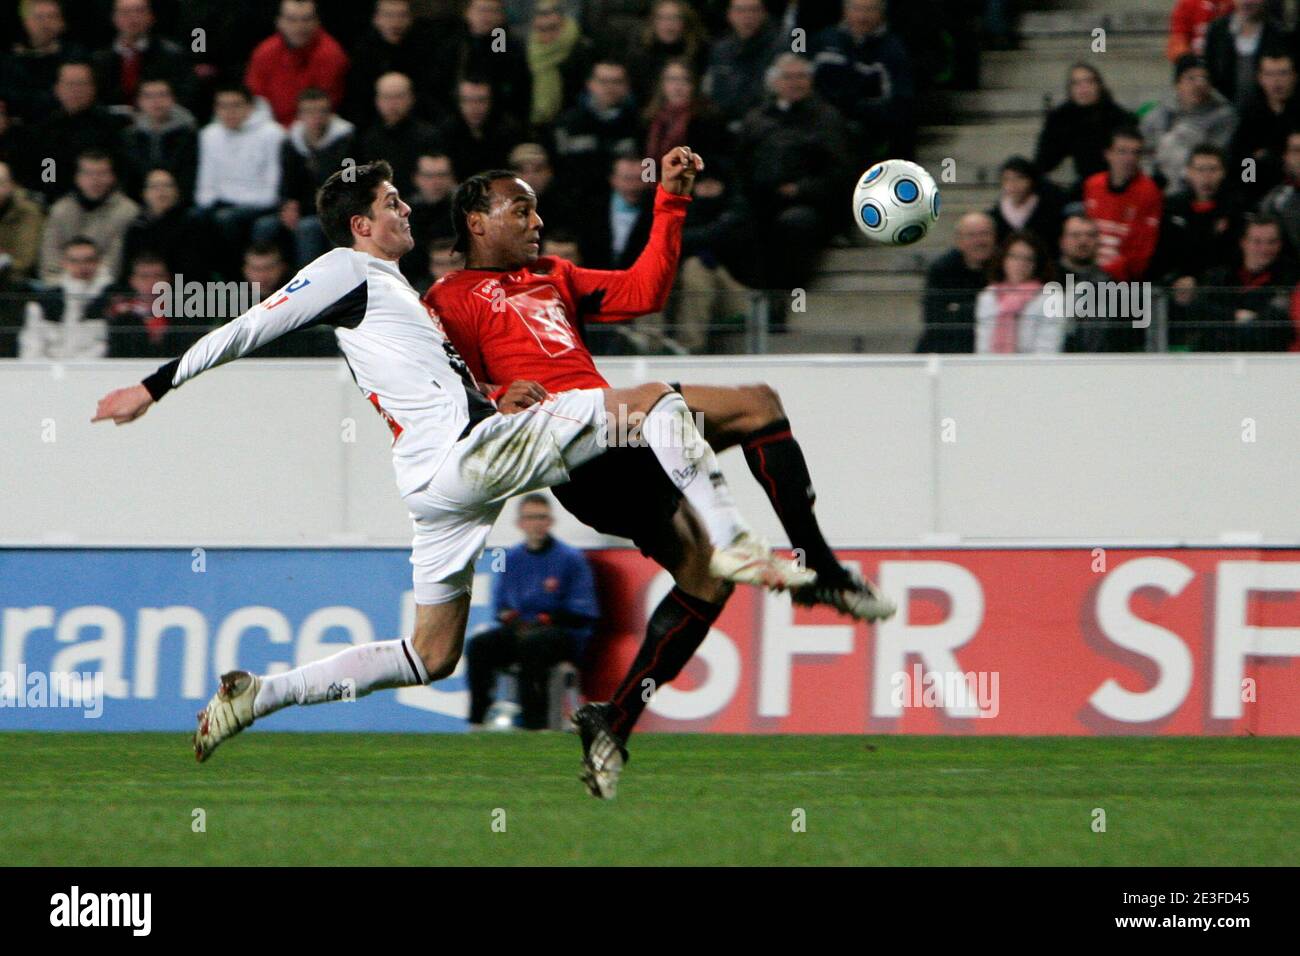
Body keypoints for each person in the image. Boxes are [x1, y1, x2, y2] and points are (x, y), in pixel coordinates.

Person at [90, 159, 811, 787]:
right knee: (650, 398)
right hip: (468, 460)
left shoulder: (400, 293)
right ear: (361, 225)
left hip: (442, 484)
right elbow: (251, 326)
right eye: (391, 202)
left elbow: (430, 382)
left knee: (429, 654)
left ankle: (259, 694)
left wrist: (497, 394)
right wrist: (153, 387)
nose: (405, 208)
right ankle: (734, 540)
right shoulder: (345, 270)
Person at [424, 150, 894, 796]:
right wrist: (494, 395)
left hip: (630, 437)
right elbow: (438, 389)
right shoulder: (448, 299)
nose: (537, 220)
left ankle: (611, 722)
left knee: (708, 571)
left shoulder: (553, 275)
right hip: (573, 451)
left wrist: (671, 202)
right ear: (477, 221)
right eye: (520, 208)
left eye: (536, 207)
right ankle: (816, 569)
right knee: (728, 404)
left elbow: (645, 292)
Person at [733, 53, 850, 331]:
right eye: (788, 77)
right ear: (773, 82)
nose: (794, 83)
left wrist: (800, 189)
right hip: (760, 200)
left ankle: (779, 303)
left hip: (809, 203)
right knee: (738, 225)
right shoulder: (756, 118)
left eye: (801, 77)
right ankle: (743, 307)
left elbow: (840, 171)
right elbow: (740, 165)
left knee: (793, 225)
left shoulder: (826, 118)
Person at [466, 494, 598, 730]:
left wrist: (544, 620)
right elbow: (501, 607)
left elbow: (582, 612)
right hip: (521, 630)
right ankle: (478, 721)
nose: (536, 523)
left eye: (541, 517)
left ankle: (536, 724)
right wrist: (514, 620)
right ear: (520, 523)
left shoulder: (571, 559)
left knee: (534, 644)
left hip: (562, 634)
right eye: (530, 518)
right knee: (479, 645)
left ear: (550, 522)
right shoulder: (510, 558)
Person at [193, 84, 286, 277]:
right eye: (223, 106)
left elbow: (273, 184)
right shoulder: (209, 134)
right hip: (223, 203)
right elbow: (206, 180)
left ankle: (237, 278)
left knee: (227, 220)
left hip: (262, 204)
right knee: (196, 218)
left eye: (236, 105)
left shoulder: (272, 133)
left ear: (250, 107)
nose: (229, 112)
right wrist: (208, 202)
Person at [257, 87, 355, 267]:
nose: (315, 117)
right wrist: (288, 204)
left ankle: (308, 284)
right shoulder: (292, 143)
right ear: (300, 115)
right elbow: (286, 181)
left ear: (330, 113)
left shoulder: (347, 142)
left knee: (307, 228)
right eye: (309, 111)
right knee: (265, 226)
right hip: (302, 208)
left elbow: (349, 183)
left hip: (334, 211)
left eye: (321, 111)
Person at [811, 0, 916, 164]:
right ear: (845, 11)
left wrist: (853, 106)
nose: (862, 16)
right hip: (820, 124)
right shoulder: (823, 41)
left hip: (867, 130)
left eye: (870, 10)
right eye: (857, 9)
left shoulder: (893, 50)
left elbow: (899, 102)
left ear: (881, 14)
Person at [1188, 215, 1296, 350]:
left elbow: (1277, 324)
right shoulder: (1219, 276)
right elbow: (1199, 310)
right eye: (1257, 242)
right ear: (1244, 242)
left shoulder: (1289, 279)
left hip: (1266, 358)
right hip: (1215, 358)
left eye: (1272, 242)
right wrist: (1235, 316)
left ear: (1280, 244)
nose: (1265, 248)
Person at [38, 150, 140, 283]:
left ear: (112, 177)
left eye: (102, 173)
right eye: (88, 173)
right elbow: (50, 259)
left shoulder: (127, 211)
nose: (95, 180)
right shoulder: (60, 210)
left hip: (105, 289)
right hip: (61, 288)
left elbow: (114, 264)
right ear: (77, 177)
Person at [1140, 53, 1237, 191]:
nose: (1199, 84)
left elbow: (1216, 156)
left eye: (1204, 78)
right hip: (1157, 183)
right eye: (1191, 78)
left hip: (1200, 188)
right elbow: (1144, 152)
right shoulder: (1159, 114)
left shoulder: (1224, 116)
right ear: (1178, 83)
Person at [244, 0, 349, 127]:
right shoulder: (264, 52)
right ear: (279, 22)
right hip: (270, 128)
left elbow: (324, 107)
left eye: (306, 19)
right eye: (291, 20)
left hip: (314, 128)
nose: (299, 27)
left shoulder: (332, 55)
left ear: (317, 22)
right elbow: (255, 99)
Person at [1082, 127, 1164, 281]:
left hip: (1119, 280)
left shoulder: (1149, 192)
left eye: (1136, 152)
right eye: (1122, 151)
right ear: (1108, 154)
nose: (1130, 158)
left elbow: (1140, 253)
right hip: (1088, 269)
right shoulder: (1093, 184)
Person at [1033, 63, 1134, 187]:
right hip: (1074, 187)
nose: (1084, 88)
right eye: (1076, 83)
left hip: (1112, 185)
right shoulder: (1059, 118)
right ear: (1070, 89)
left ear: (1099, 86)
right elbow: (1044, 161)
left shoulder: (1118, 117)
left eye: (1089, 82)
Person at [916, 211, 997, 353]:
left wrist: (958, 309)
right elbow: (934, 319)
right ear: (959, 241)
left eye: (984, 234)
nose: (979, 241)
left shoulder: (1004, 267)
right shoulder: (942, 269)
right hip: (946, 348)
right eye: (971, 235)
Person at [21, 235, 112, 360]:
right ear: (64, 263)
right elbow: (31, 346)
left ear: (99, 262)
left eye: (89, 260)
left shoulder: (111, 297)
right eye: (75, 261)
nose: (82, 266)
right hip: (48, 372)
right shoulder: (44, 301)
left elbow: (107, 346)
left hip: (94, 372)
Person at [91, 0, 193, 111]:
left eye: (139, 11)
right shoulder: (99, 59)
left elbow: (183, 96)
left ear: (151, 17)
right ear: (114, 18)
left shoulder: (172, 55)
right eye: (125, 12)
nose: (132, 17)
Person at [703, 0, 787, 134]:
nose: (747, 16)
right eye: (740, 10)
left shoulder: (780, 49)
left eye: (753, 10)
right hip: (722, 125)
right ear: (729, 15)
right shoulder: (720, 49)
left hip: (766, 126)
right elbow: (713, 91)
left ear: (763, 14)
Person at [1229, 50, 1300, 202]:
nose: (1277, 81)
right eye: (1270, 74)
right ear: (1260, 78)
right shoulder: (1251, 115)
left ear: (1294, 76)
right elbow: (1243, 159)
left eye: (1283, 73)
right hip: (1258, 192)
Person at [974, 231, 1062, 354]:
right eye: (1014, 257)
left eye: (1028, 259)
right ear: (1003, 259)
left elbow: (1048, 346)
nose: (1020, 264)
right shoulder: (988, 296)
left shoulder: (1050, 297)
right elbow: (982, 344)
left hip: (1035, 368)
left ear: (1037, 264)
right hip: (992, 368)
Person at [358, 72, 442, 198]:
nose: (393, 104)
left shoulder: (428, 136)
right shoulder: (366, 138)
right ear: (377, 100)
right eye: (386, 97)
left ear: (411, 98)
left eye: (399, 97)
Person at [118, 77, 198, 203]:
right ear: (139, 101)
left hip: (180, 203)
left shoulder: (189, 135)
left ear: (172, 99)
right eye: (149, 96)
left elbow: (189, 177)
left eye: (162, 95)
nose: (156, 101)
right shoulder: (129, 137)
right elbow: (128, 178)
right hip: (138, 203)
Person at [525, 1, 596, 128]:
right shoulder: (525, 51)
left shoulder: (581, 51)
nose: (547, 34)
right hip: (531, 121)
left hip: (572, 122)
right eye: (542, 29)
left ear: (563, 24)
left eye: (552, 28)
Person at [1203, 0, 1287, 106]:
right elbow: (1209, 72)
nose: (1247, 2)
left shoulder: (1278, 34)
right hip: (1222, 112)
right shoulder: (1217, 30)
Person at [1056, 214, 1116, 352]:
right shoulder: (1047, 279)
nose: (1083, 241)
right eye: (1075, 235)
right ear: (1062, 241)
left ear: (1098, 242)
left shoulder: (1110, 285)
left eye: (1090, 235)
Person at [988, 156, 1065, 256]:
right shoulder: (995, 215)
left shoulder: (1049, 210)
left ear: (1031, 181)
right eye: (1007, 179)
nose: (1013, 184)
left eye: (1019, 178)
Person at [0, 160, 45, 282]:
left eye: (1, 184)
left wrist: (5, 260)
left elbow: (25, 261)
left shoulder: (28, 212)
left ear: (11, 185)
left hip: (16, 282)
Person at [1168, 0, 1234, 61]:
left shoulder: (1232, 5)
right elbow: (1178, 39)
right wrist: (1187, 59)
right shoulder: (1188, 4)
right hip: (1194, 62)